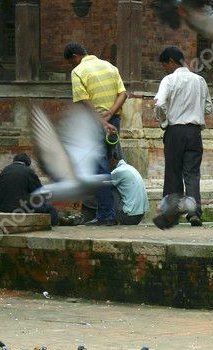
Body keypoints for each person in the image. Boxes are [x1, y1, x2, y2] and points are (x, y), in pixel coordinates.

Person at [64, 42, 127, 226]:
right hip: (114, 121)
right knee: (105, 165)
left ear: (75, 57)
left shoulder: (78, 71)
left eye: (71, 62)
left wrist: (101, 121)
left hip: (96, 123)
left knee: (99, 169)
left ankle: (106, 215)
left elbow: (84, 101)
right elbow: (123, 94)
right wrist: (110, 114)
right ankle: (105, 213)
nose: (72, 65)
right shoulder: (110, 66)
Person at [155, 46, 213, 228]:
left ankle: (171, 215)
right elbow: (208, 108)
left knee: (173, 173)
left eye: (165, 65)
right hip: (194, 132)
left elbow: (160, 104)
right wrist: (195, 112)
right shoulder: (199, 80)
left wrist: (164, 121)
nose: (165, 69)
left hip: (175, 131)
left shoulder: (169, 80)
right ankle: (194, 213)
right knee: (192, 174)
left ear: (171, 62)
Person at [0, 154, 59, 225]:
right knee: (51, 209)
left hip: (2, 207)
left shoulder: (5, 170)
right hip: (19, 208)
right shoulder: (28, 171)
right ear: (27, 163)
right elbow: (38, 191)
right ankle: (54, 225)